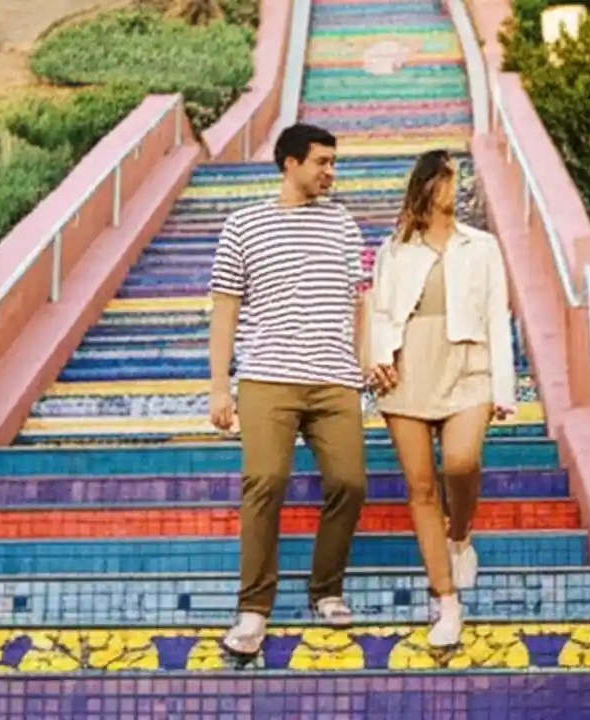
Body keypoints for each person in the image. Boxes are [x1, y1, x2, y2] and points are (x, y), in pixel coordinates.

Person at [208, 123, 369, 658]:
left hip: (333, 378)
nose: (331, 171)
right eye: (322, 161)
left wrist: (363, 360)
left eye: (333, 162)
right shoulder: (244, 225)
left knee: (349, 481)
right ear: (289, 163)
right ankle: (253, 608)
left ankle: (326, 589)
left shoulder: (344, 224)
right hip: (266, 377)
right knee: (265, 481)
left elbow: (359, 300)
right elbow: (225, 309)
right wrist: (218, 388)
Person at [363, 149, 517, 648]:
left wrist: (504, 387)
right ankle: (446, 602)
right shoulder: (395, 248)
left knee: (460, 461)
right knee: (422, 488)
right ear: (429, 185)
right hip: (408, 372)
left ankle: (461, 537)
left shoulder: (483, 245)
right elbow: (382, 311)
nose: (460, 183)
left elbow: (498, 315)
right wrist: (378, 360)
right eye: (452, 176)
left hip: (468, 365)